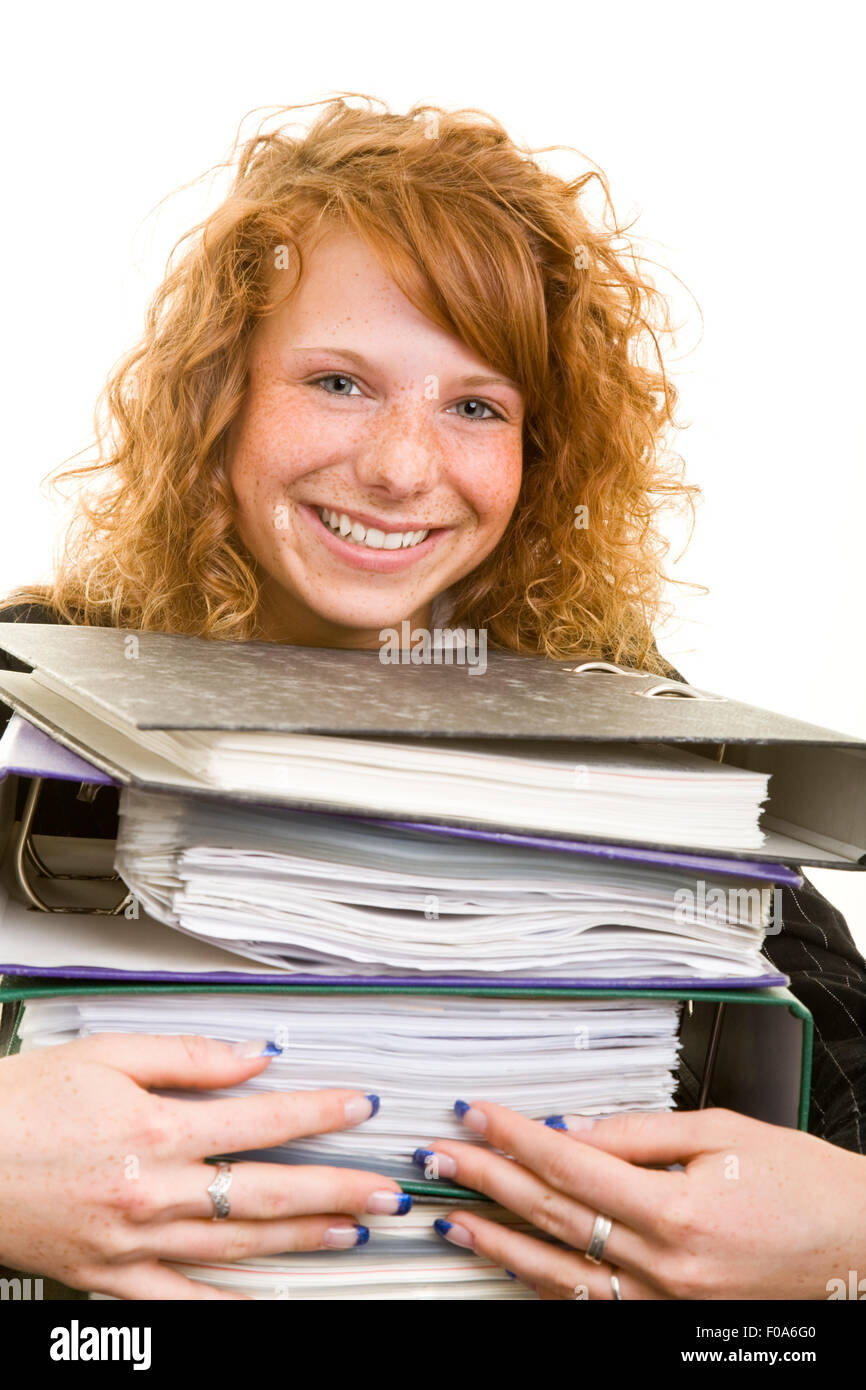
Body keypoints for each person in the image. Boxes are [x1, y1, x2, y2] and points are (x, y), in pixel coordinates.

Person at [0, 95, 863, 1301]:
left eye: (474, 405)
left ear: (537, 457)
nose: (404, 467)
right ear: (219, 399)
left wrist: (852, 1237)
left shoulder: (626, 727)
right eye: (340, 381)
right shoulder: (30, 686)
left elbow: (843, 1086)